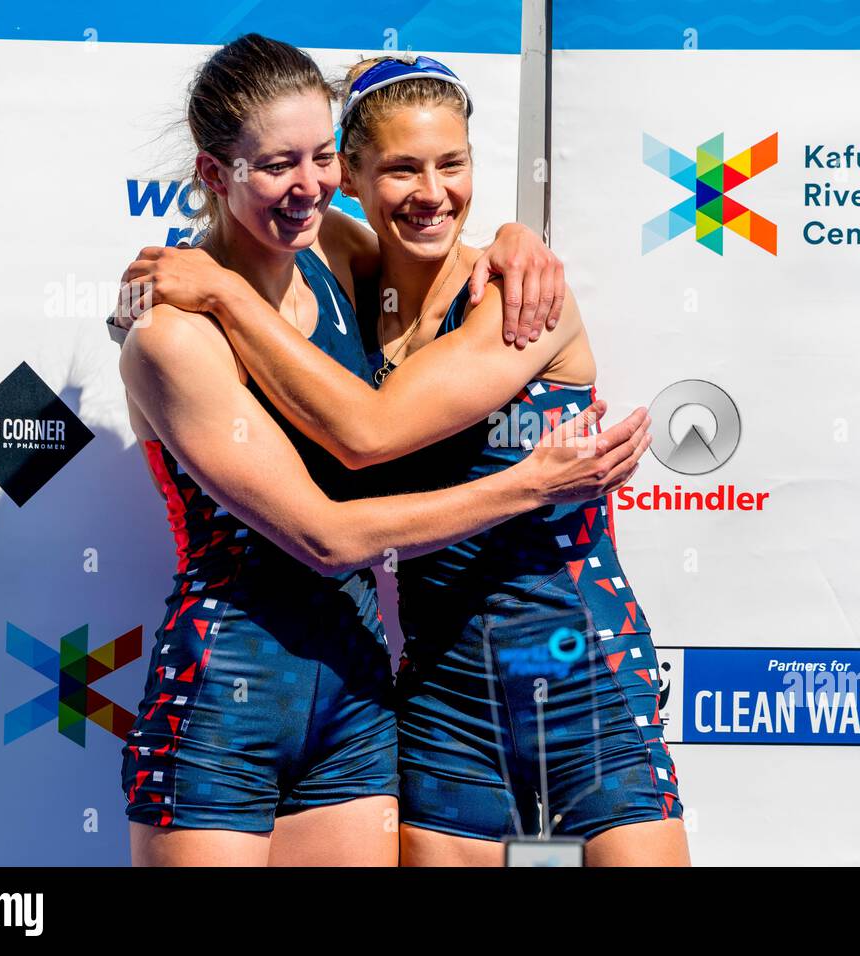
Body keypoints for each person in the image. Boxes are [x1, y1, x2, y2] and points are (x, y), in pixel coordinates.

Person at [120, 53, 689, 866]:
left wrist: (516, 238)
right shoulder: (265, 292)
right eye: (282, 164)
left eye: (452, 163)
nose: (306, 184)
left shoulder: (424, 276)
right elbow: (337, 507)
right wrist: (532, 485)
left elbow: (371, 421)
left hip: (515, 677)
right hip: (334, 697)